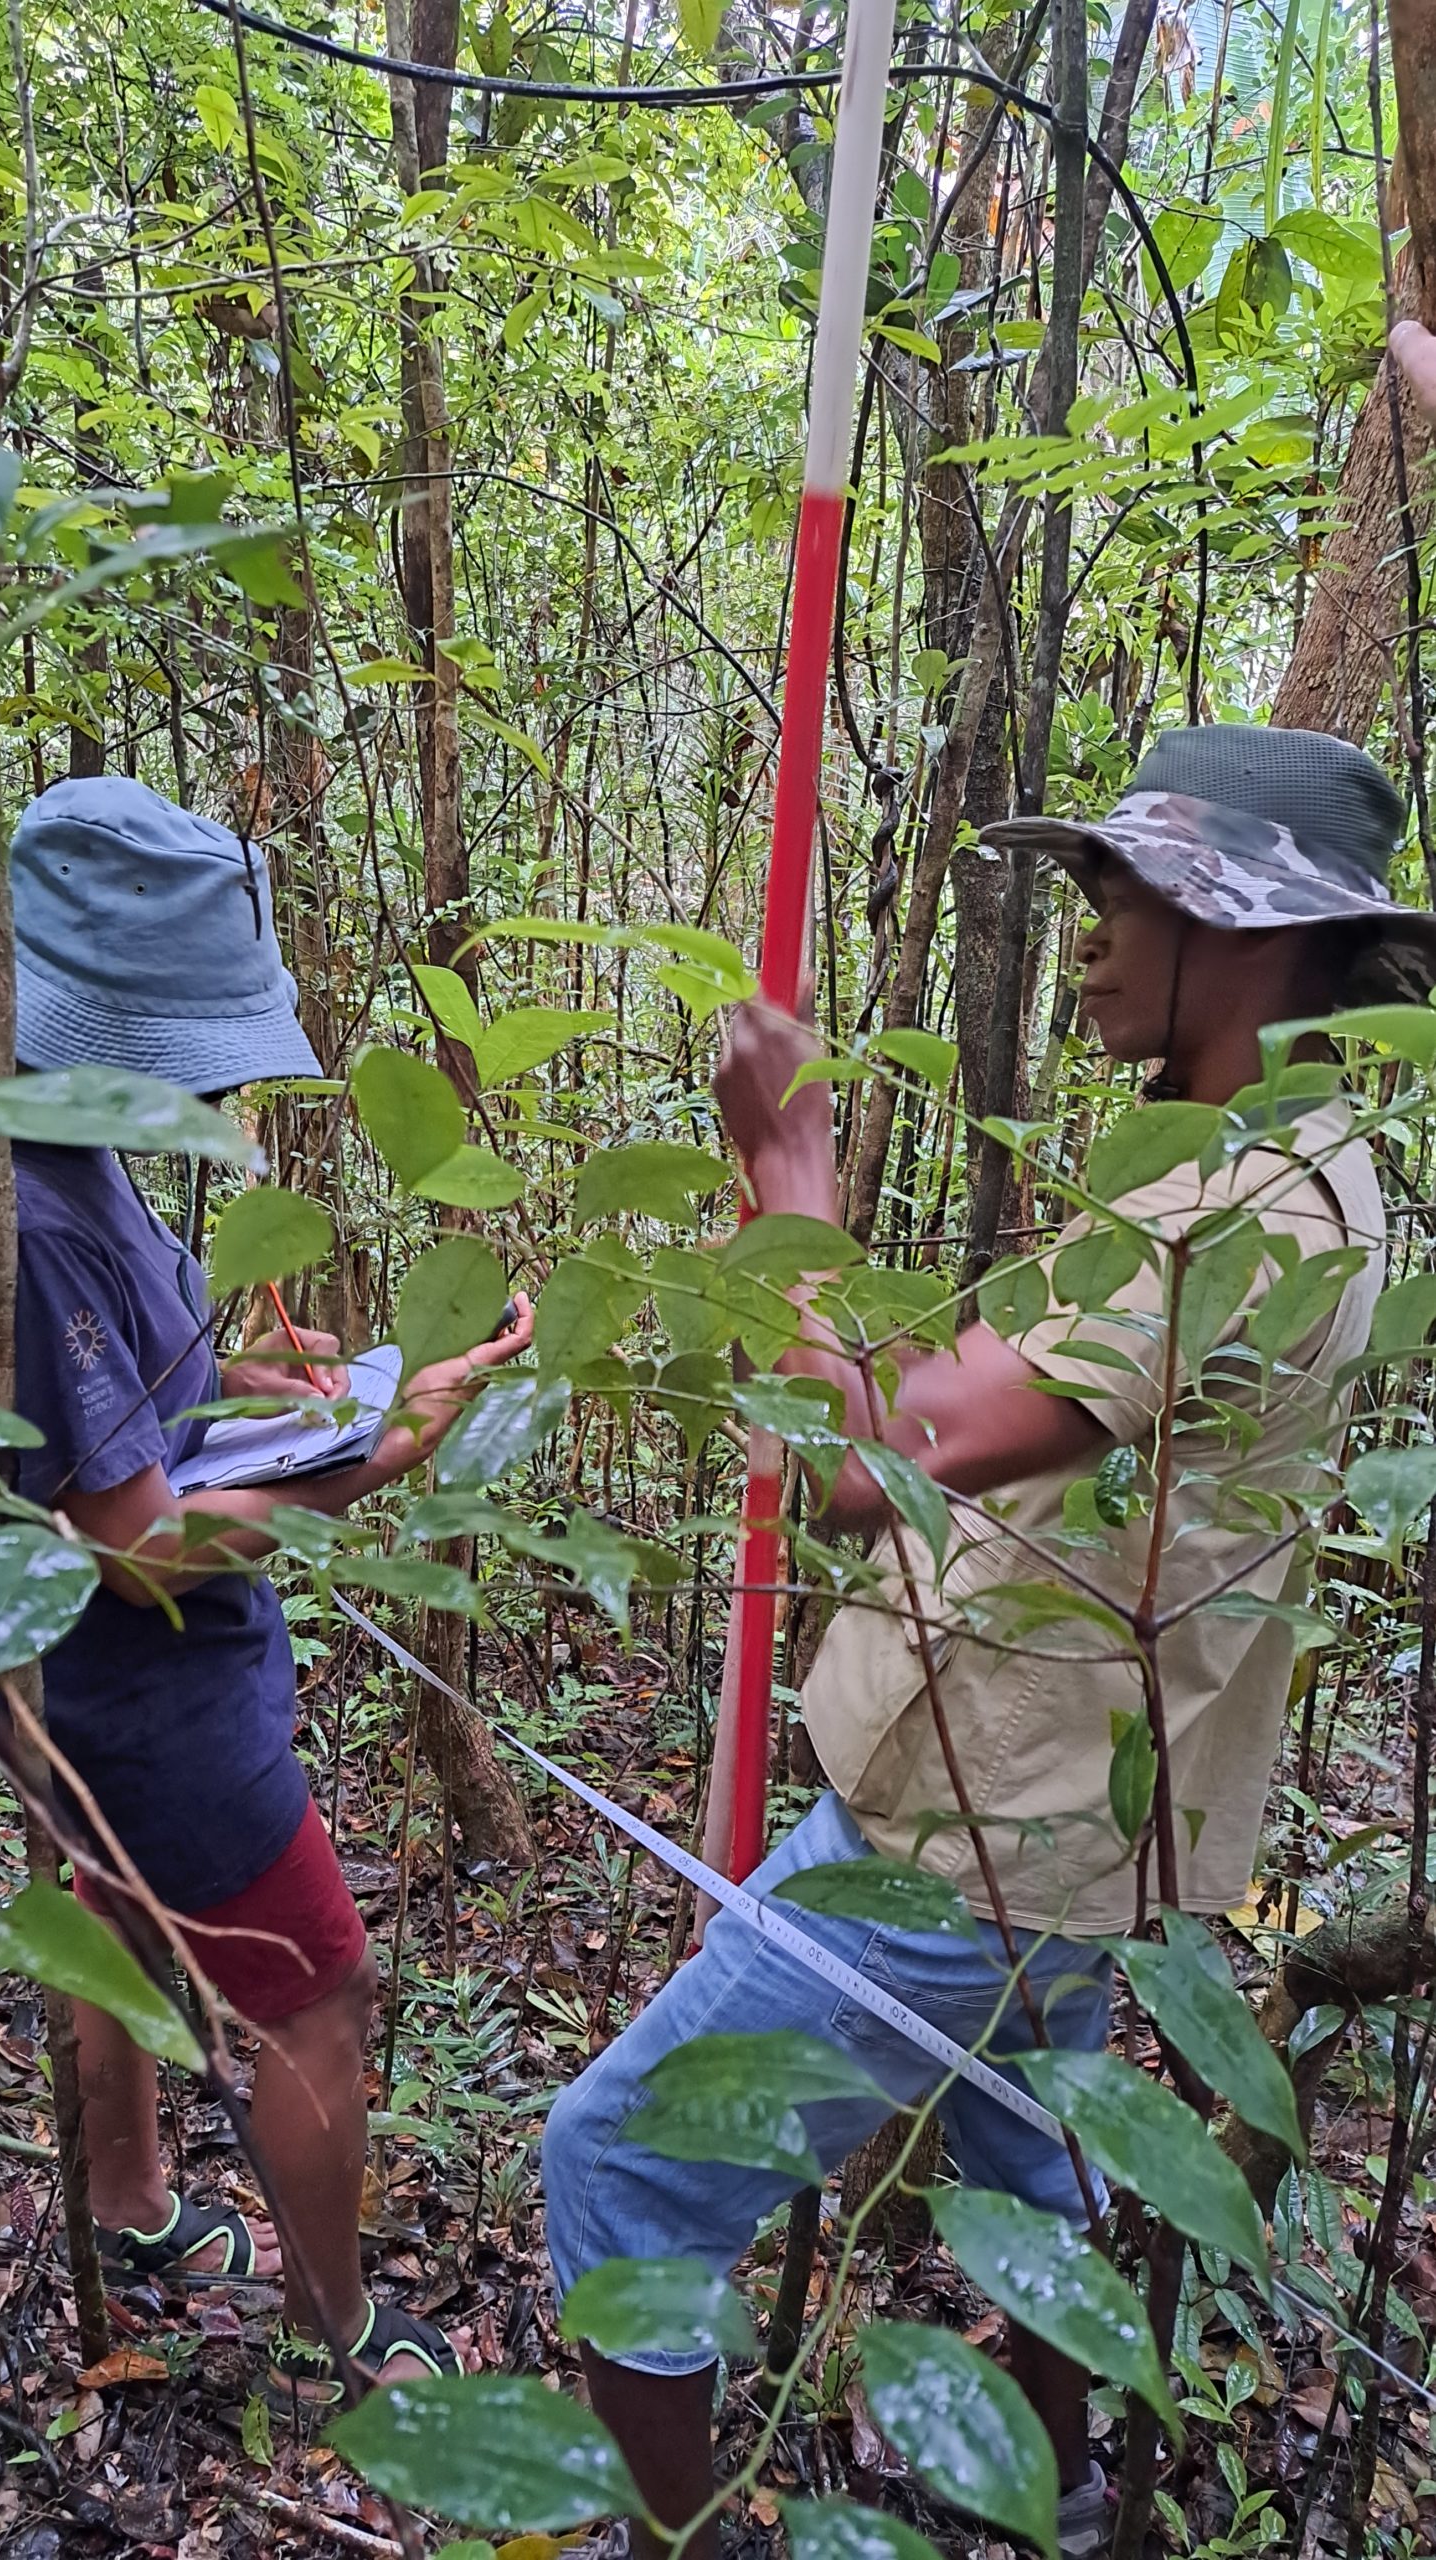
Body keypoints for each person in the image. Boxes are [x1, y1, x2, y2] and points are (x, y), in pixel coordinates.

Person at [543, 724, 1436, 2556]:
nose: (1088, 932)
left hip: (968, 1838)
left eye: (1121, 892)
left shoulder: (1261, 1208)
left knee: (619, 2167)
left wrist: (787, 1179)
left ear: (1245, 926)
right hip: (1059, 1824)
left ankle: (676, 2535)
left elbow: (876, 1457)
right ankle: (1070, 2494)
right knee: (1036, 2155)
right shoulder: (1240, 1165)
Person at [7, 777, 534, 2400]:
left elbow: (91, 1419)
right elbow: (141, 1547)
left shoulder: (63, 1146)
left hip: (115, 1701)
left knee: (120, 1918)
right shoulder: (29, 1215)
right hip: (144, 1693)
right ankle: (335, 2331)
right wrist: (392, 1446)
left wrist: (241, 1372)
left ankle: (133, 2205)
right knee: (321, 1995)